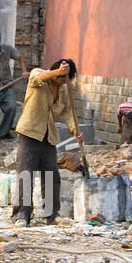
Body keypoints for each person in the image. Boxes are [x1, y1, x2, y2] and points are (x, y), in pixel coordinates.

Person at [12, 57, 82, 226]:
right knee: (26, 173)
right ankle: (22, 214)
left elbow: (66, 112)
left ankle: (51, 214)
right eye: (61, 78)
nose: (62, 82)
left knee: (51, 174)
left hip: (48, 134)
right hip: (30, 132)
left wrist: (74, 128)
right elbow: (36, 78)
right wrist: (57, 72)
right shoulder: (39, 75)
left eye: (65, 80)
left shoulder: (64, 89)